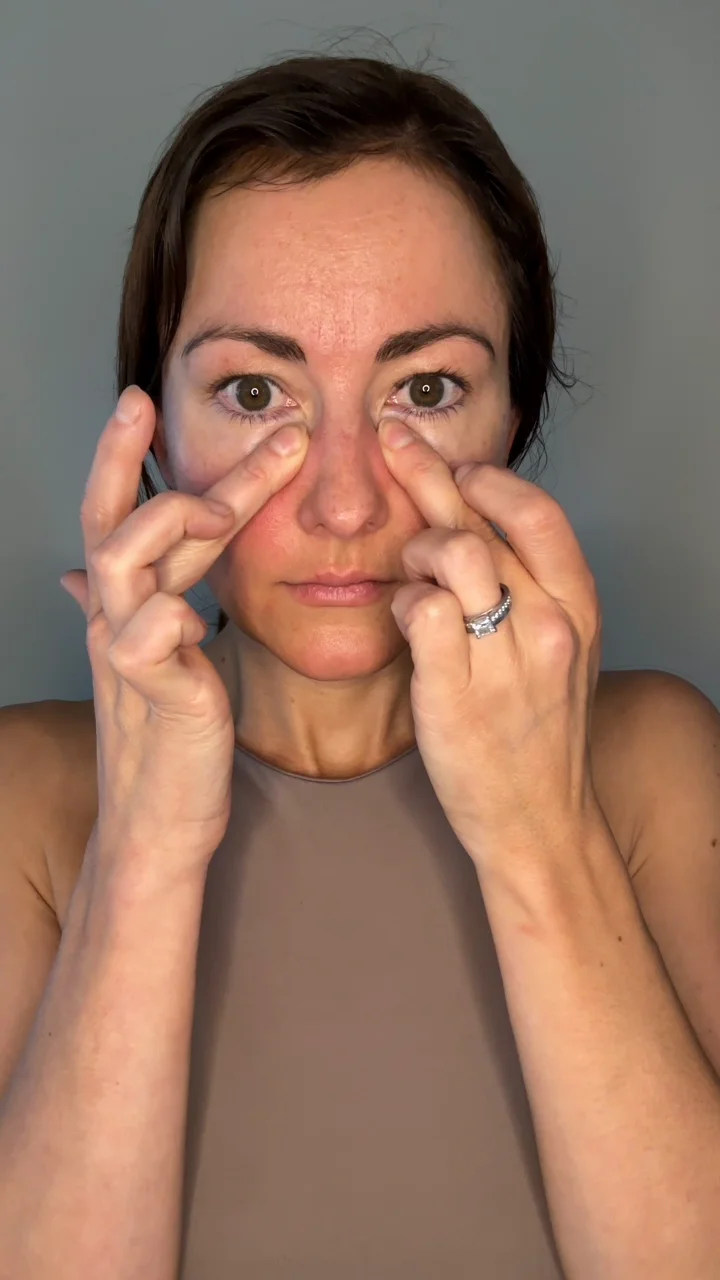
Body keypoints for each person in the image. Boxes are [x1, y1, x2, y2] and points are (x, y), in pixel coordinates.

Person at [1, 49, 720, 1280]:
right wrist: (146, 848)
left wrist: (539, 834)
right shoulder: (26, 802)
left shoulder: (658, 765)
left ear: (513, 420)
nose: (343, 502)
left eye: (425, 388)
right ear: (155, 431)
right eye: (255, 391)